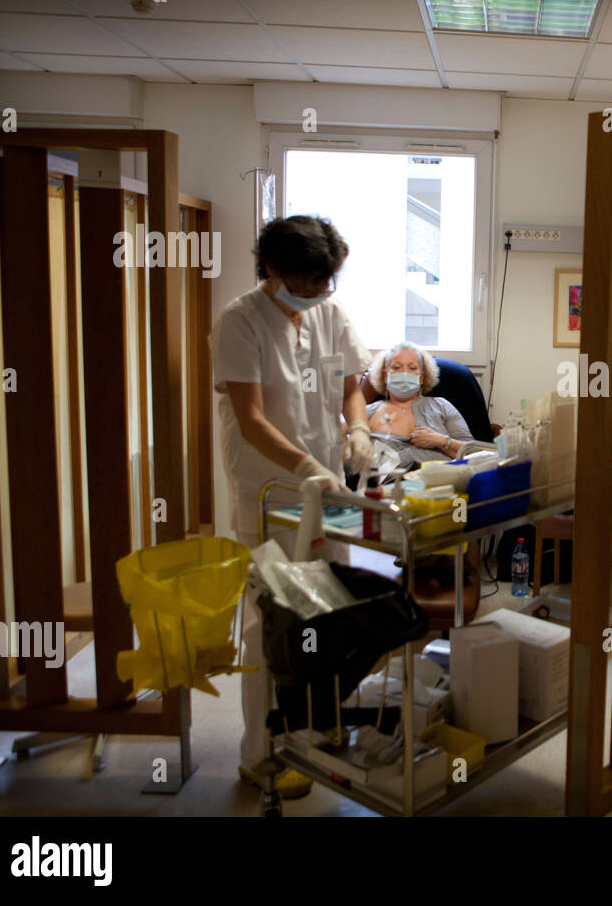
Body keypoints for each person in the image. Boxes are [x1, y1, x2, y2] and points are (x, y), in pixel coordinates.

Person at [211, 215, 373, 799]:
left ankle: (323, 723)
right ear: (272, 270)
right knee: (272, 622)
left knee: (329, 608)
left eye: (323, 283)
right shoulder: (240, 321)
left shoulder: (330, 315)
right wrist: (305, 467)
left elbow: (352, 383)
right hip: (270, 493)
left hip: (330, 489)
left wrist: (357, 427)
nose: (313, 294)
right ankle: (262, 752)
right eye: (303, 283)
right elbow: (251, 419)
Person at [358, 342, 478, 466]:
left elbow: (474, 454)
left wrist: (442, 441)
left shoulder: (441, 406)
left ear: (421, 378)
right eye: (396, 367)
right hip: (390, 483)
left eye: (412, 368)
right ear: (385, 376)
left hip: (442, 482)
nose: (404, 373)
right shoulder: (367, 412)